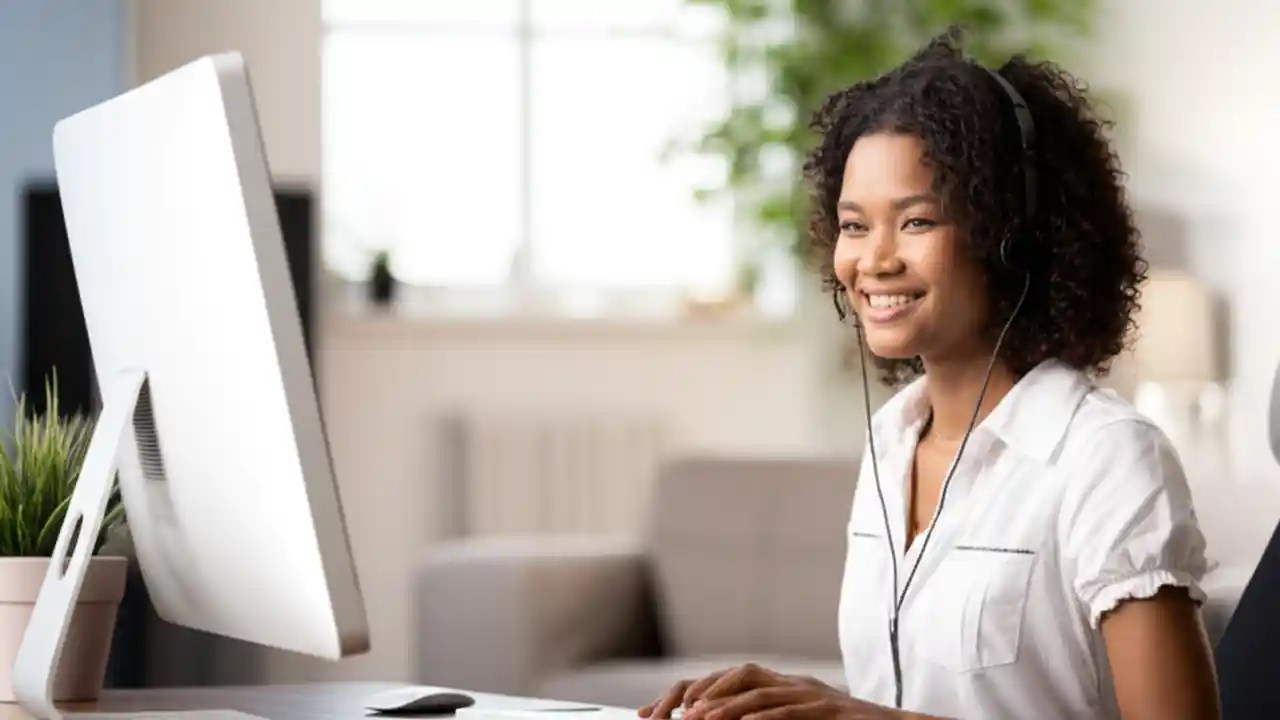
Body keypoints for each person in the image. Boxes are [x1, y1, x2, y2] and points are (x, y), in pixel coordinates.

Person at [638, 28, 1220, 720]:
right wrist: (798, 705)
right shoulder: (890, 443)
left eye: (916, 222)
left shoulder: (1106, 457)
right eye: (855, 226)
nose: (874, 260)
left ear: (1011, 239)